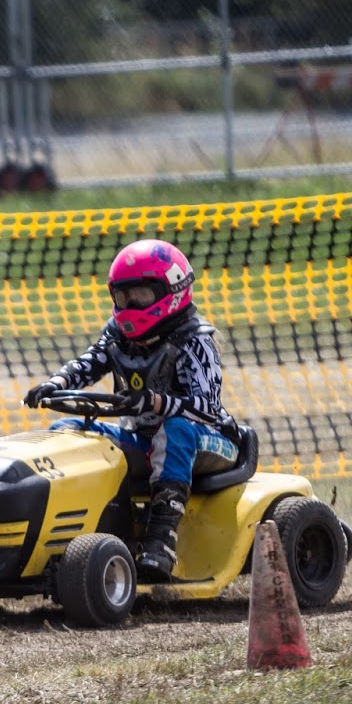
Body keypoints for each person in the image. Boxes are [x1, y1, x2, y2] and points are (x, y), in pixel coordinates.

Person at [23, 239, 239, 580]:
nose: (129, 304)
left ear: (170, 289)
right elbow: (89, 363)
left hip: (213, 442)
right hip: (147, 439)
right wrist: (55, 384)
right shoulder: (117, 337)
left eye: (139, 294)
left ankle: (160, 542)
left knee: (176, 430)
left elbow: (207, 408)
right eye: (122, 296)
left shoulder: (195, 339)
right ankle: (76, 537)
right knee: (70, 432)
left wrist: (155, 402)